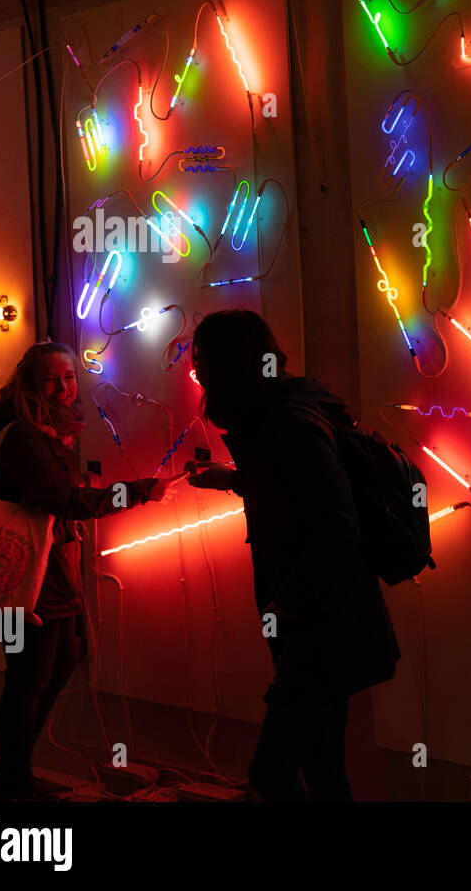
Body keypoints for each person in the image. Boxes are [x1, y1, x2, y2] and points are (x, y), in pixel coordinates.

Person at [186, 309, 399, 801]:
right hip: (327, 620)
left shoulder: (285, 420)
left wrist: (285, 605)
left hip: (321, 626)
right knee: (321, 765)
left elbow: (336, 526)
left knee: (272, 771)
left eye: (204, 362)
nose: (198, 373)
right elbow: (301, 491)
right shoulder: (289, 405)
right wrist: (239, 480)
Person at [0, 342, 168, 801]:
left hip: (52, 569)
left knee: (58, 662)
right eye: (50, 380)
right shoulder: (23, 435)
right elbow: (66, 501)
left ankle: (13, 775)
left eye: (68, 377)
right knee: (30, 678)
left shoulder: (47, 429)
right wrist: (138, 492)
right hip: (29, 575)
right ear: (28, 384)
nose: (63, 388)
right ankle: (12, 783)